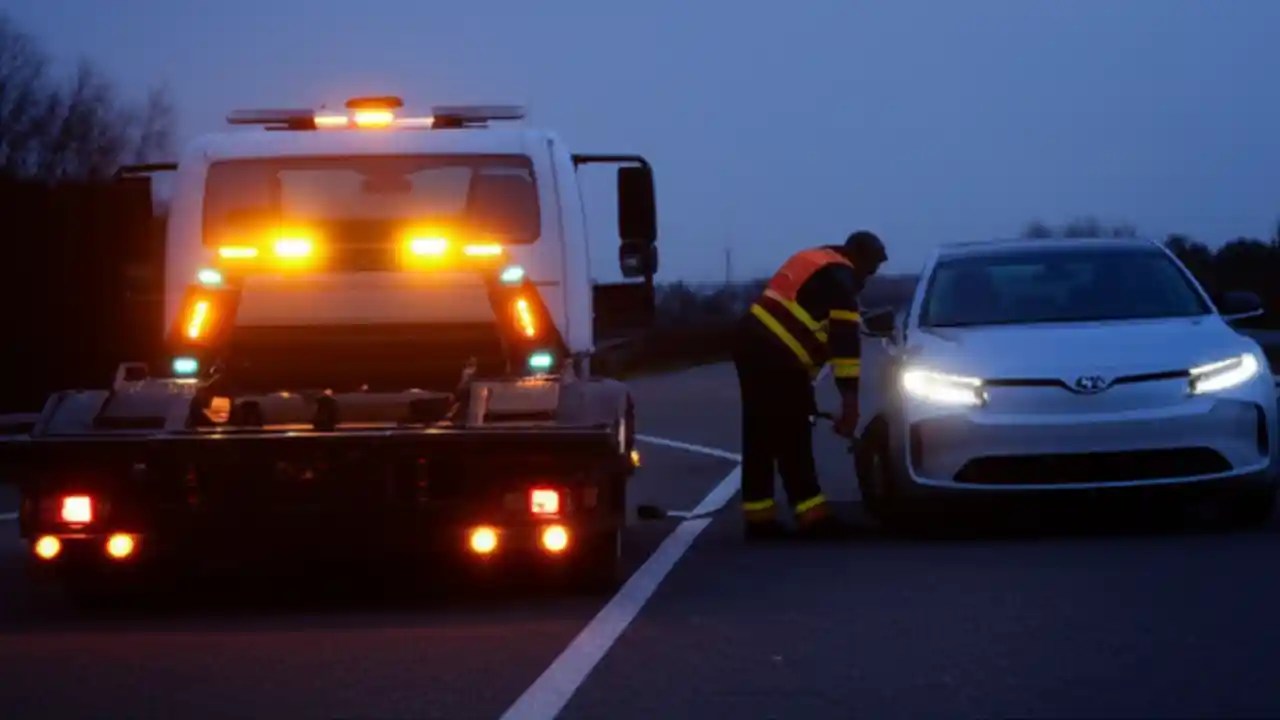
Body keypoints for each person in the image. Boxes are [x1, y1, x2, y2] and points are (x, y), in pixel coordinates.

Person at [732, 230, 888, 540]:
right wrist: (850, 405)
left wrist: (805, 391)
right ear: (856, 257)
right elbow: (846, 350)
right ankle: (813, 518)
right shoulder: (843, 283)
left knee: (760, 433)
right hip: (778, 356)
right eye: (869, 271)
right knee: (793, 435)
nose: (866, 280)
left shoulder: (814, 259)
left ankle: (759, 517)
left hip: (751, 345)